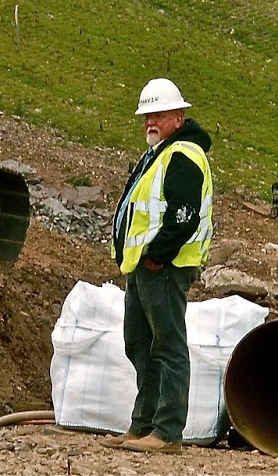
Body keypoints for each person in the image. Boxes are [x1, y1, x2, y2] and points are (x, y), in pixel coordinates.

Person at [102, 78, 213, 455]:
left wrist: (156, 256)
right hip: (144, 267)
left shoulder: (183, 155)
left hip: (163, 267)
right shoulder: (160, 153)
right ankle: (143, 426)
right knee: (139, 342)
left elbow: (184, 216)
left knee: (167, 346)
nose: (151, 121)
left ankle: (167, 433)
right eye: (147, 115)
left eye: (160, 114)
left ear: (179, 117)